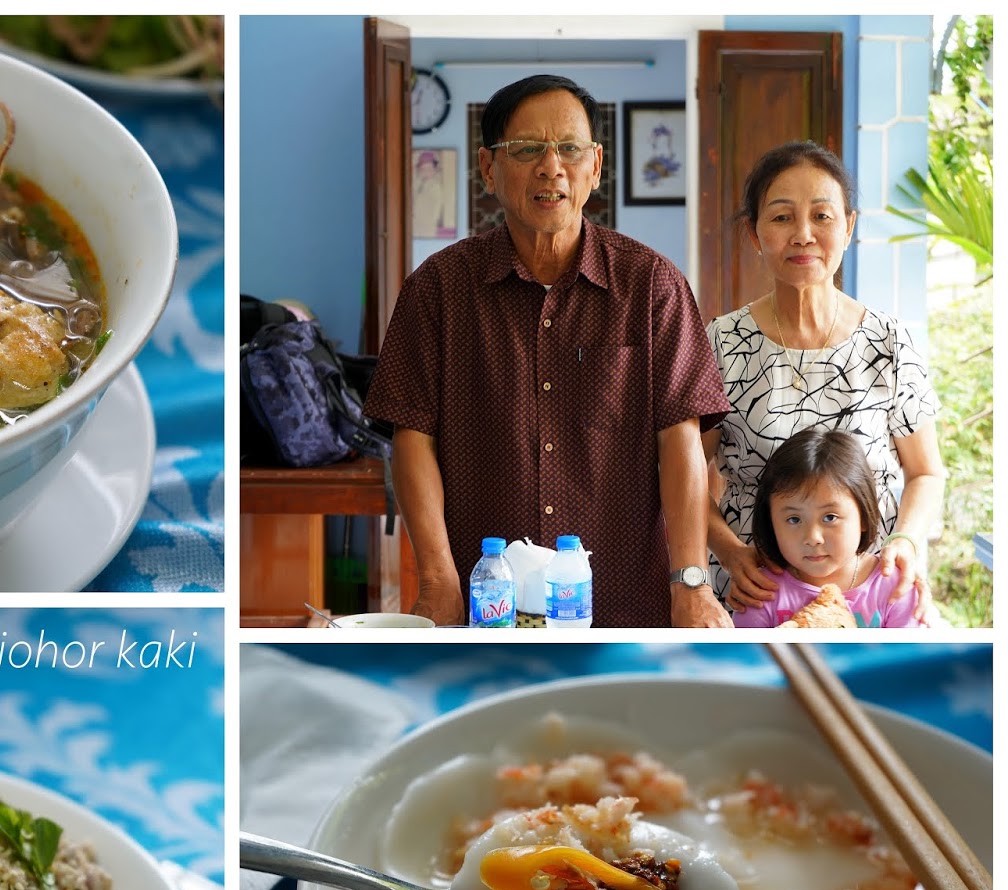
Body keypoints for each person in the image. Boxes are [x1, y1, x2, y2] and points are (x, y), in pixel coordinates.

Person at [365, 75, 732, 628]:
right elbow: (412, 438)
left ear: (596, 165)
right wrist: (439, 580)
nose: (551, 166)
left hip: (625, 600)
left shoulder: (651, 285)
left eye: (569, 149)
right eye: (527, 149)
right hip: (486, 605)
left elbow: (681, 440)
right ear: (488, 168)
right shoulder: (437, 289)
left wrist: (691, 582)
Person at [704, 142, 944, 619]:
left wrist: (906, 542)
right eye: (781, 218)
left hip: (873, 593)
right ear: (754, 233)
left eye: (822, 216)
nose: (803, 235)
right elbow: (686, 472)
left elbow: (926, 472)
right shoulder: (722, 342)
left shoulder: (888, 341)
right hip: (754, 593)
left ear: (849, 227)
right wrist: (730, 551)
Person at [732, 429, 922, 628]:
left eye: (830, 517)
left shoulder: (894, 585)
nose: (813, 538)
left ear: (864, 516)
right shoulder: (759, 591)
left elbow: (910, 657)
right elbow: (750, 658)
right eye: (794, 519)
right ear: (771, 523)